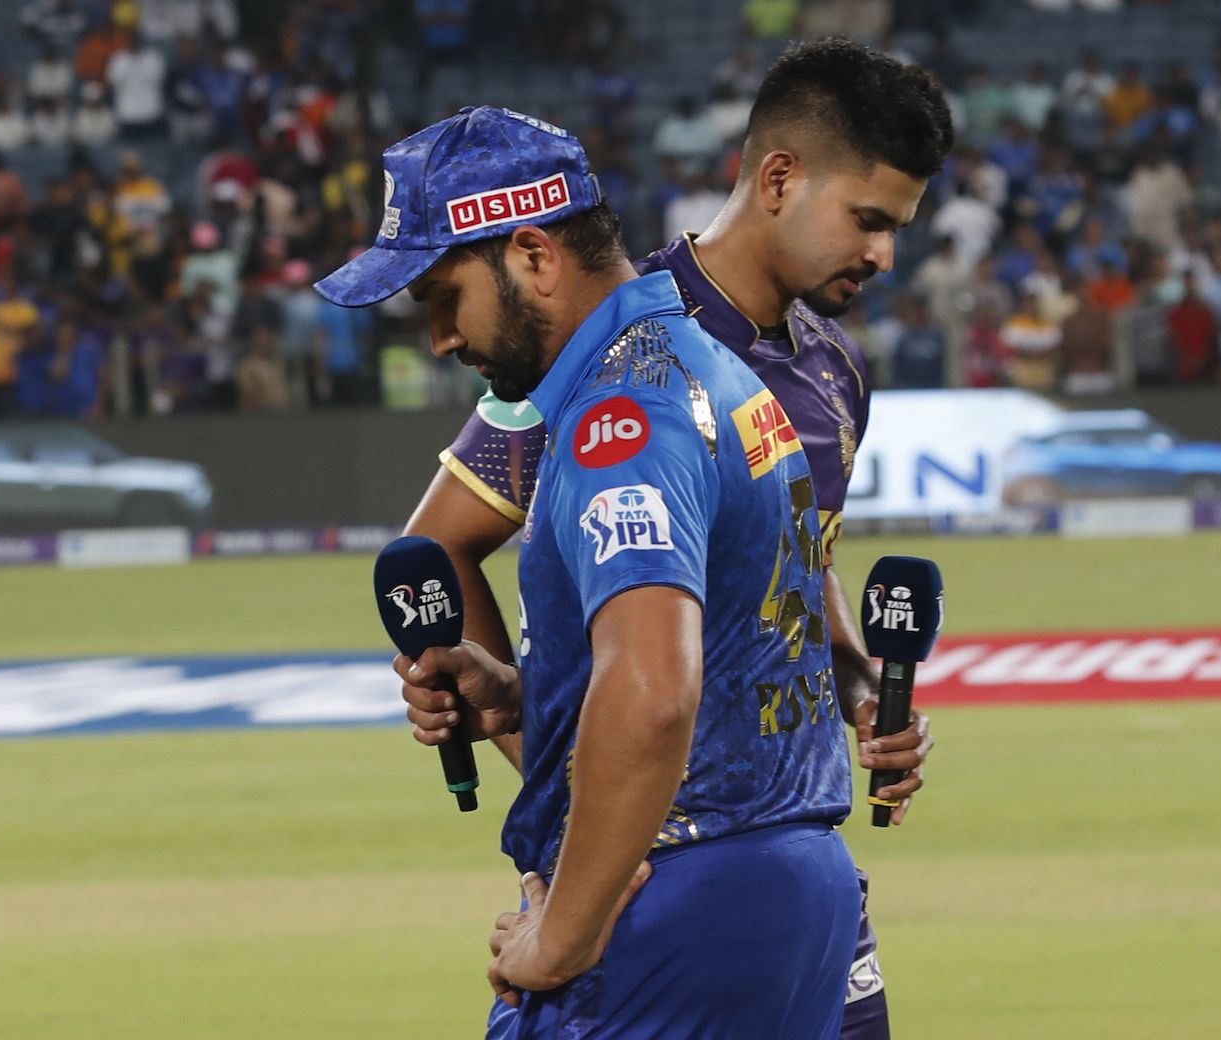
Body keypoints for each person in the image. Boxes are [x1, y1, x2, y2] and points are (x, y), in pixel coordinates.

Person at [391, 38, 950, 1040]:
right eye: (866, 220)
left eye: (894, 227)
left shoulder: (827, 374)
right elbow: (437, 547)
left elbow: (789, 574)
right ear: (776, 179)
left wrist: (855, 688)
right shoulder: (601, 337)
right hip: (676, 861)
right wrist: (566, 757)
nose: (880, 255)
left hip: (770, 848)